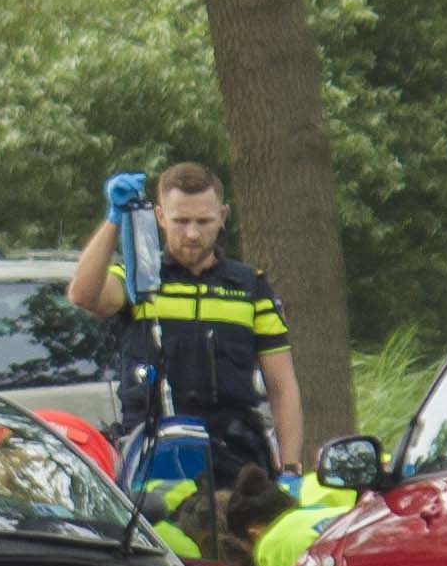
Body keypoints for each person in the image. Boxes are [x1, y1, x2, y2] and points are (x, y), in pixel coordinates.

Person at [72, 163, 303, 475]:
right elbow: (83, 295)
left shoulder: (251, 286)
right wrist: (115, 218)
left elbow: (282, 386)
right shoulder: (140, 280)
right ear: (160, 217)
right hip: (155, 457)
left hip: (237, 459)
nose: (192, 234)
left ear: (222, 216)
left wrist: (290, 468)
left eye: (203, 221)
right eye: (181, 221)